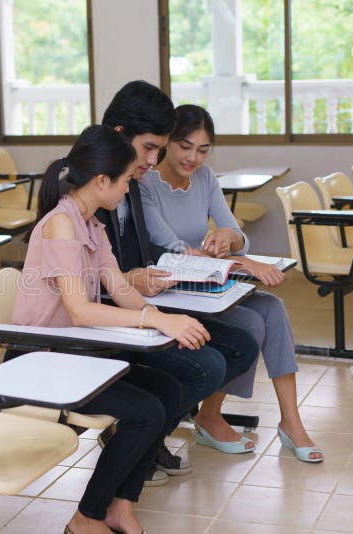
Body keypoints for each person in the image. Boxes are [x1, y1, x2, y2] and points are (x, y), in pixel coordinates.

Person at [13, 124, 221, 534]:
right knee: (145, 412)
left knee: (170, 391)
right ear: (102, 180)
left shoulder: (92, 224)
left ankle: (121, 505)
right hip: (40, 358)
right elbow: (80, 311)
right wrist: (156, 319)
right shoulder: (61, 225)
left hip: (75, 352)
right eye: (126, 180)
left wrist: (162, 318)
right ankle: (85, 516)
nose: (129, 190)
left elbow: (121, 290)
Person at [138, 104, 324, 462]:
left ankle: (291, 421)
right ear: (167, 143)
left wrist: (227, 238)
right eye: (185, 146)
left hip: (206, 283)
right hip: (170, 287)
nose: (193, 157)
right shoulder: (147, 185)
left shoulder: (205, 178)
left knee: (272, 306)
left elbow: (239, 234)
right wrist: (243, 262)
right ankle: (209, 416)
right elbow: (176, 250)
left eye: (203, 150)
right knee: (253, 320)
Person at [98, 81, 260, 454]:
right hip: (109, 314)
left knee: (241, 346)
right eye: (151, 148)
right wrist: (130, 283)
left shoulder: (132, 183)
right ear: (121, 135)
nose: (153, 161)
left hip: (138, 301)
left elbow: (151, 246)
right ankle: (139, 446)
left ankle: (143, 441)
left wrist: (198, 261)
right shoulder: (88, 187)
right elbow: (71, 283)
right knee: (207, 364)